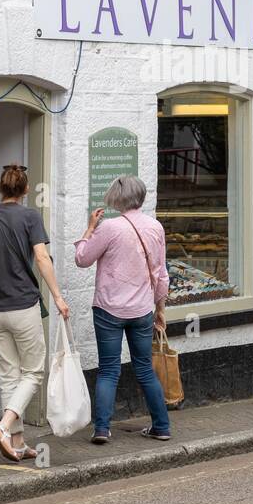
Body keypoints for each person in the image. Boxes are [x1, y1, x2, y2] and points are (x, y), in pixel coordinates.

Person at [0, 164, 70, 462]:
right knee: (33, 372)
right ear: (25, 190)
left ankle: (19, 441)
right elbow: (41, 257)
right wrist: (58, 297)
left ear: (1, 188)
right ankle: (2, 428)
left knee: (9, 375)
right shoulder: (30, 217)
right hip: (23, 307)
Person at [73, 175, 171, 445]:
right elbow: (161, 273)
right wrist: (160, 308)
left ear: (117, 197)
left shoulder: (109, 228)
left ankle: (102, 429)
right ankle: (161, 426)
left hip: (109, 309)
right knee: (144, 369)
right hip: (142, 310)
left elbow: (82, 259)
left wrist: (89, 229)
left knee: (108, 370)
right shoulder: (155, 227)